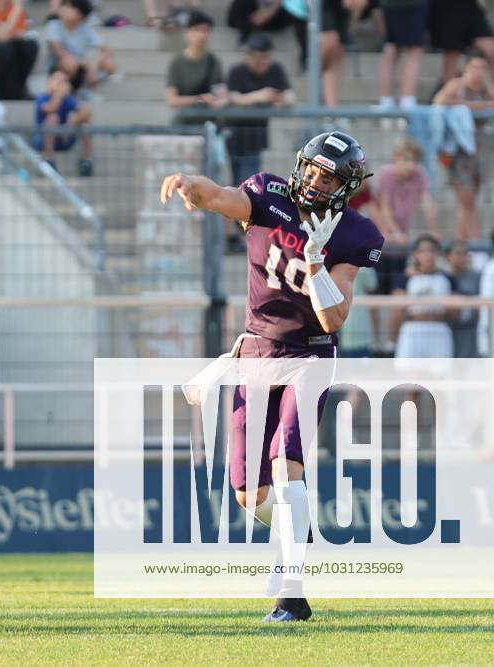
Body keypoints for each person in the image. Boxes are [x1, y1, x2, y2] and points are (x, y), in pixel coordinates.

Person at [161, 131, 384, 622]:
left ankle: (292, 595)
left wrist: (316, 262)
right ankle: (294, 529)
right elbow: (219, 196)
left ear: (346, 186)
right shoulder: (267, 195)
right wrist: (189, 183)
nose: (315, 181)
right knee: (250, 495)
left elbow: (333, 320)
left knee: (288, 466)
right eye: (312, 169)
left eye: (329, 176)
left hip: (310, 354)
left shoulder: (356, 233)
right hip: (257, 352)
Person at [433, 50, 494, 241]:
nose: (479, 72)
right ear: (466, 68)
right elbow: (440, 101)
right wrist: (474, 106)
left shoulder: (486, 88)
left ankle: (462, 241)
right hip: (459, 153)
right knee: (467, 202)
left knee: (469, 202)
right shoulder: (457, 85)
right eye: (475, 67)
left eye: (483, 67)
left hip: (479, 153)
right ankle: (476, 246)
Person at [369, 138, 440, 295]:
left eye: (414, 160)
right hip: (382, 238)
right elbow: (384, 208)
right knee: (376, 290)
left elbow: (428, 202)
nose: (410, 165)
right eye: (406, 160)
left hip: (400, 242)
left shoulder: (419, 174)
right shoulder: (387, 174)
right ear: (397, 158)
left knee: (398, 288)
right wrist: (394, 233)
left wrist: (434, 230)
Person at [225, 32, 295, 188]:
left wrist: (278, 99)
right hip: (232, 133)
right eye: (256, 57)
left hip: (256, 136)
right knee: (234, 180)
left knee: (247, 183)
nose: (261, 62)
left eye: (265, 57)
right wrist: (259, 96)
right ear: (247, 56)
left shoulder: (276, 69)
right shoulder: (237, 71)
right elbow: (233, 98)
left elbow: (290, 96)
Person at [391, 235, 454, 360]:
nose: (428, 255)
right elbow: (398, 308)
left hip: (439, 329)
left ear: (438, 254)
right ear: (416, 254)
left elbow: (454, 311)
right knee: (410, 374)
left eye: (432, 251)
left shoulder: (448, 278)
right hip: (413, 328)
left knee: (440, 374)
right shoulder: (405, 279)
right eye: (423, 251)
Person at [165, 10, 228, 125]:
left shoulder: (214, 61)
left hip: (210, 123)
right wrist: (200, 99)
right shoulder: (177, 62)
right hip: (183, 124)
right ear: (187, 33)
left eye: (206, 30)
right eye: (197, 30)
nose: (202, 35)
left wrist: (220, 100)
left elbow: (221, 94)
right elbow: (172, 100)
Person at [33, 68, 94, 176]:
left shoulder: (67, 99)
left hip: (63, 137)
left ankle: (87, 160)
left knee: (85, 124)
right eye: (58, 80)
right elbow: (50, 108)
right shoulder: (42, 97)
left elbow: (86, 113)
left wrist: (72, 122)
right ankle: (48, 159)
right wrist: (58, 95)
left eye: (64, 81)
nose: (61, 84)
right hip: (41, 140)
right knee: (52, 118)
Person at [45, 0, 117, 91]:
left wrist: (96, 64)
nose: (63, 9)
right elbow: (60, 53)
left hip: (80, 67)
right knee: (69, 62)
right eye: (64, 6)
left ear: (80, 15)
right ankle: (67, 91)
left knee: (109, 63)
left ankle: (84, 89)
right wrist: (88, 66)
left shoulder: (85, 29)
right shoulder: (54, 25)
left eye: (69, 7)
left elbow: (106, 48)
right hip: (58, 68)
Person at [0, 0, 38, 100]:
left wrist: (8, 30)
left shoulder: (13, 10)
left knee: (29, 46)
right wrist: (18, 7)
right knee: (5, 48)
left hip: (10, 52)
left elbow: (23, 33)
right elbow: (2, 36)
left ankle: (18, 90)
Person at [377, 0, 428, 110]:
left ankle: (386, 101)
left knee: (391, 47)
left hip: (390, 5)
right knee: (414, 50)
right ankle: (407, 100)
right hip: (413, 5)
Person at [429, 0, 494, 84]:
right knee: (452, 53)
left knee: (490, 49)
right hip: (447, 7)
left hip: (470, 7)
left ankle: (488, 91)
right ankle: (449, 93)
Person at [446, 239, 481, 358]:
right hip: (446, 330)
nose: (462, 257)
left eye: (465, 254)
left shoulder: (477, 277)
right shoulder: (442, 277)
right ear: (449, 256)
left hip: (470, 331)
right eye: (458, 253)